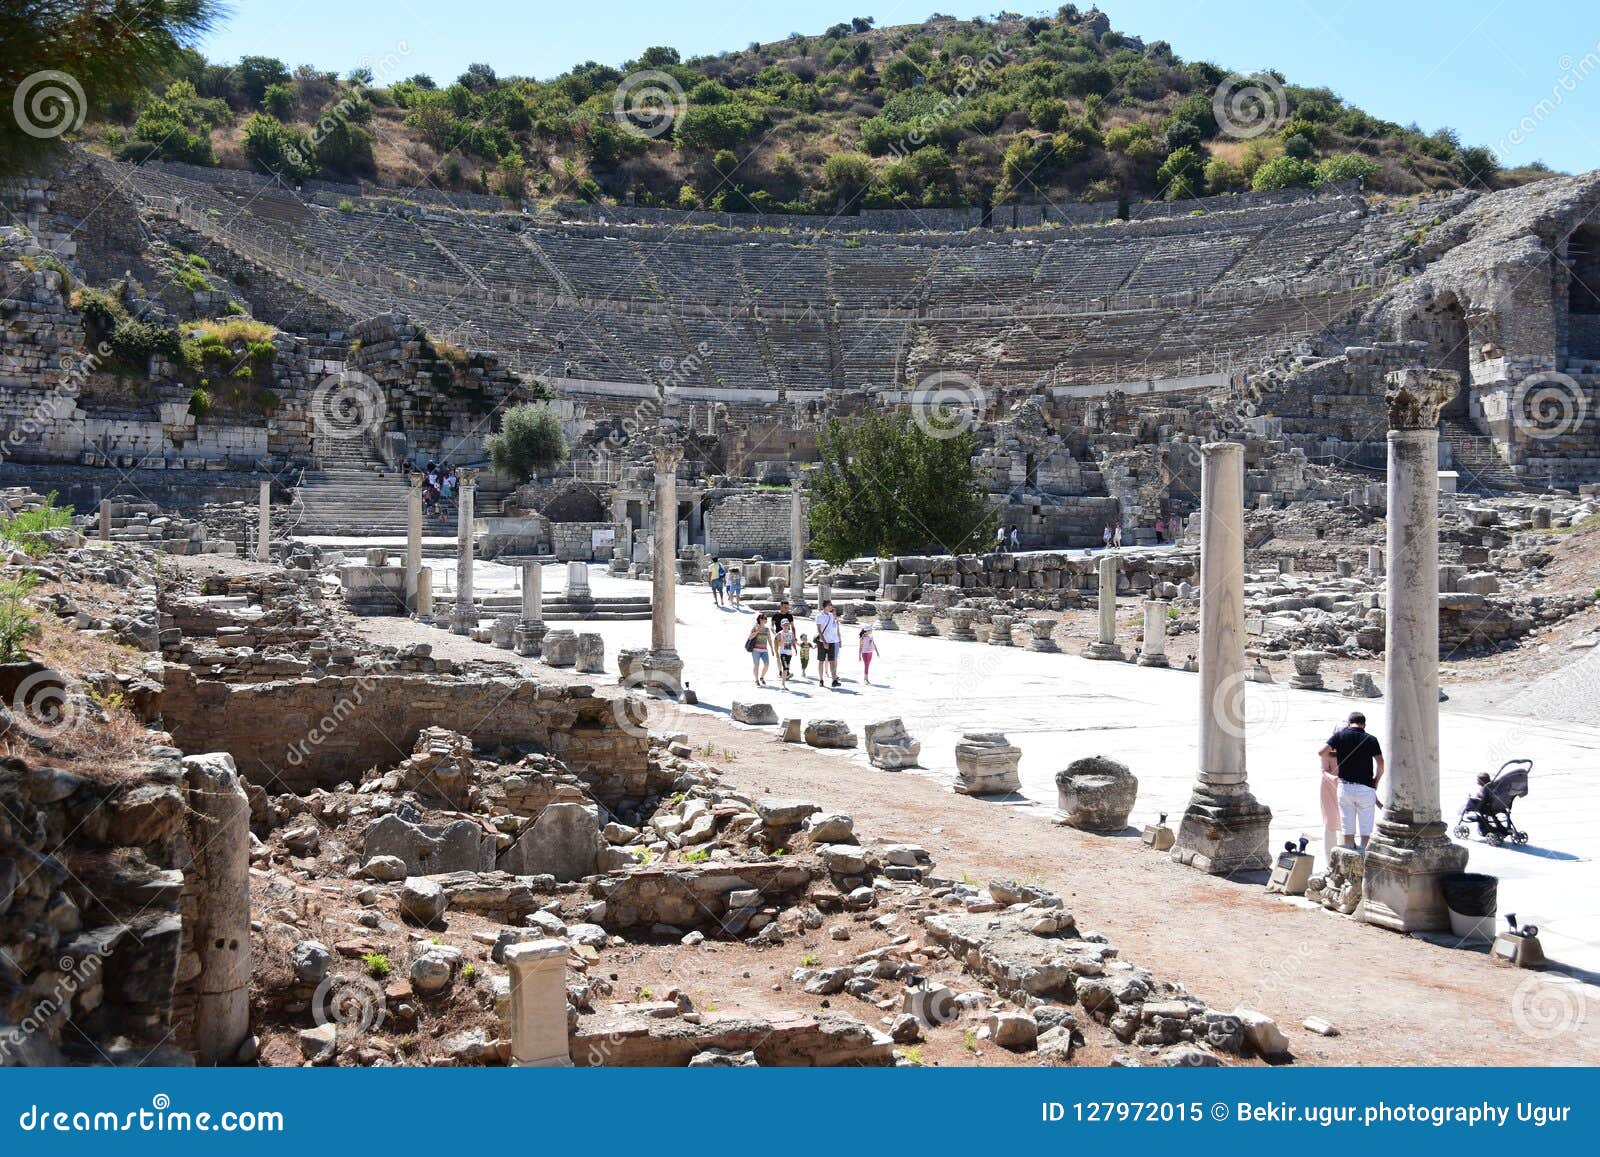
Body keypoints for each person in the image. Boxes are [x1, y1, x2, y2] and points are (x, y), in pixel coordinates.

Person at [1319, 712, 1385, 850]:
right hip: (1365, 788)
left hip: (1345, 788)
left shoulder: (1339, 736)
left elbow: (1321, 752)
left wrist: (1337, 748)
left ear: (1349, 723)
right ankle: (1363, 856)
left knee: (1347, 828)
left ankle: (1348, 859)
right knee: (1365, 829)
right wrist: (1376, 781)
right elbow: (1381, 764)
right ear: (1364, 724)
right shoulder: (1371, 739)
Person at [814, 599, 842, 688]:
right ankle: (821, 679)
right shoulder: (819, 616)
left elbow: (834, 627)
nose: (831, 606)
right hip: (822, 642)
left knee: (832, 661)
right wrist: (824, 641)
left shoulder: (831, 615)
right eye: (830, 605)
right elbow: (819, 630)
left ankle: (834, 680)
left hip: (832, 641)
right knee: (821, 661)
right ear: (825, 606)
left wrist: (838, 639)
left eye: (831, 605)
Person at [1459, 772, 1494, 836]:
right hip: (1492, 806)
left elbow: (1480, 796)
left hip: (1482, 806)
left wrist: (1474, 796)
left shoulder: (1484, 789)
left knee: (1467, 803)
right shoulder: (1492, 788)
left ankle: (1484, 830)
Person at [746, 614, 772, 686]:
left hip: (764, 650)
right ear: (759, 619)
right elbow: (750, 637)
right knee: (756, 665)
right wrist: (757, 631)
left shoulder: (767, 629)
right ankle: (756, 680)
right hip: (756, 650)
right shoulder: (755, 628)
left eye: (765, 618)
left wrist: (772, 649)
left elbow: (769, 639)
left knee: (767, 665)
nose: (764, 620)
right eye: (763, 618)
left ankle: (762, 677)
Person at [775, 617, 796, 690]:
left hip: (789, 653)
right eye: (784, 625)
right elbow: (779, 644)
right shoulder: (780, 633)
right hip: (783, 653)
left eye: (787, 624)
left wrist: (795, 648)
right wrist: (783, 641)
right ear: (781, 625)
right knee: (785, 668)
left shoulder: (791, 633)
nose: (786, 626)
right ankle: (783, 684)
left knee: (786, 669)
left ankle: (783, 681)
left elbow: (793, 641)